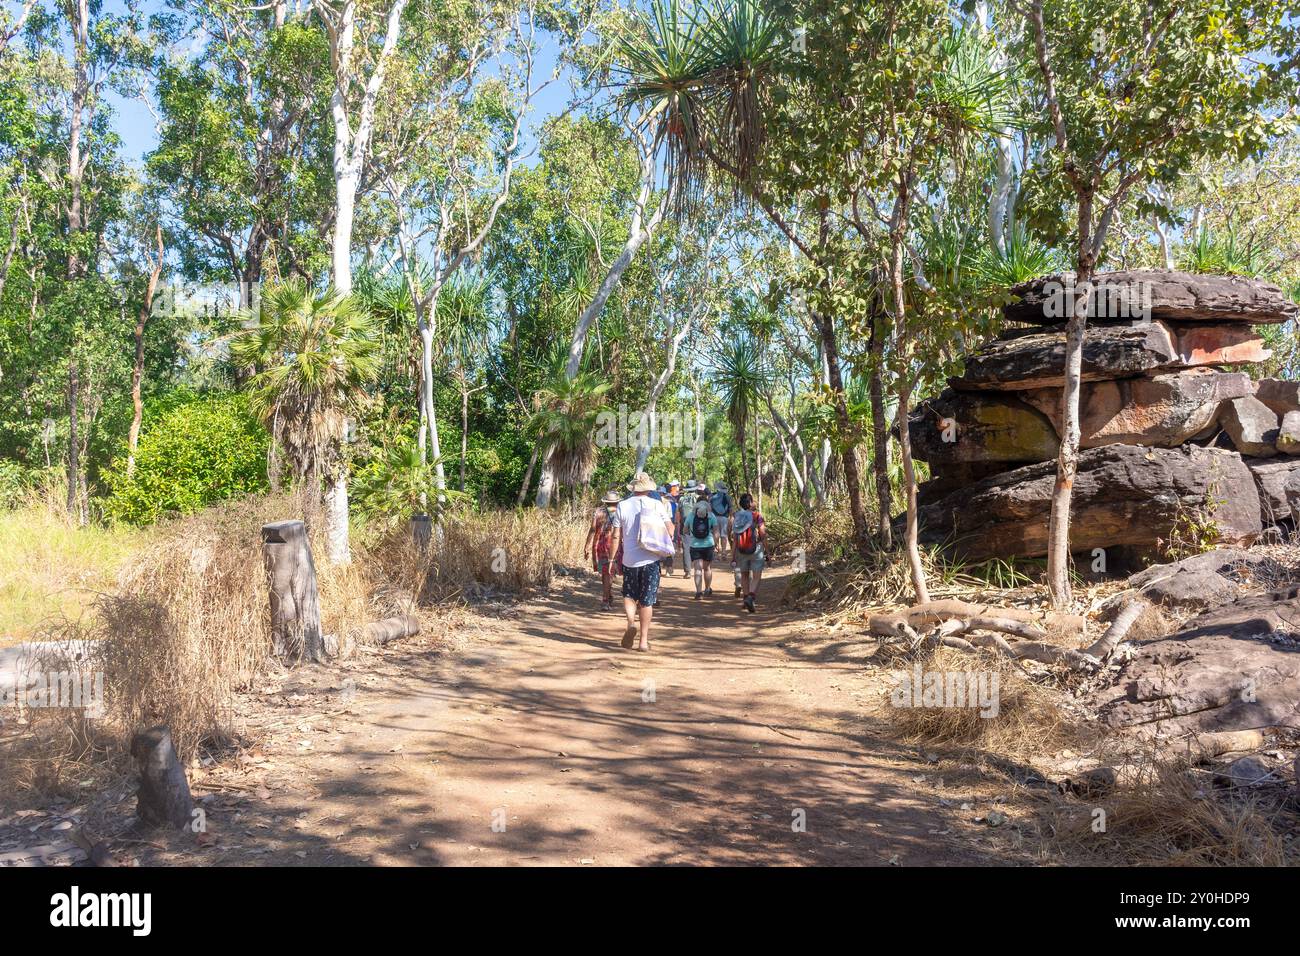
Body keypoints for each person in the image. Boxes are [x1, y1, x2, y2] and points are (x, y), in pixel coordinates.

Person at [610, 472, 674, 652]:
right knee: (647, 600)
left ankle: (631, 623)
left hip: (629, 560)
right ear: (648, 488)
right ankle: (643, 642)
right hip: (651, 559)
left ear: (634, 488)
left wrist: (611, 559)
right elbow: (670, 529)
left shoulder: (622, 505)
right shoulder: (656, 504)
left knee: (629, 595)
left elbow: (616, 535)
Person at [730, 492, 767, 614]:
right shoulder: (757, 516)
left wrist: (733, 555)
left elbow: (735, 537)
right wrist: (767, 551)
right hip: (756, 549)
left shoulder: (736, 516)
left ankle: (745, 599)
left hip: (741, 549)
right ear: (750, 503)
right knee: (756, 576)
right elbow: (762, 533)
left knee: (744, 575)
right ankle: (751, 597)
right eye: (752, 501)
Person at [584, 490, 621, 611]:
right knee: (609, 573)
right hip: (615, 546)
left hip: (601, 546)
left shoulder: (598, 512)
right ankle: (607, 598)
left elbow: (592, 529)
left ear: (606, 501)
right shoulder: (621, 512)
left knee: (606, 573)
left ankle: (606, 598)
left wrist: (587, 545)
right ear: (616, 501)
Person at [686, 482, 720, 599]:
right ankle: (707, 589)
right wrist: (716, 544)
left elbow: (685, 531)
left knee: (697, 569)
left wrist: (691, 531)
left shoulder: (691, 516)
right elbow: (716, 532)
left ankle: (698, 592)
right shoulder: (711, 516)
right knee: (707, 568)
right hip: (708, 545)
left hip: (695, 545)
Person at [709, 480, 734, 571]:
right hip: (724, 518)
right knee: (724, 535)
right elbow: (731, 508)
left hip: (714, 517)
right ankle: (723, 552)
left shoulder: (712, 496)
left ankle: (716, 552)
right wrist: (731, 518)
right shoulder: (728, 497)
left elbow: (709, 508)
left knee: (715, 534)